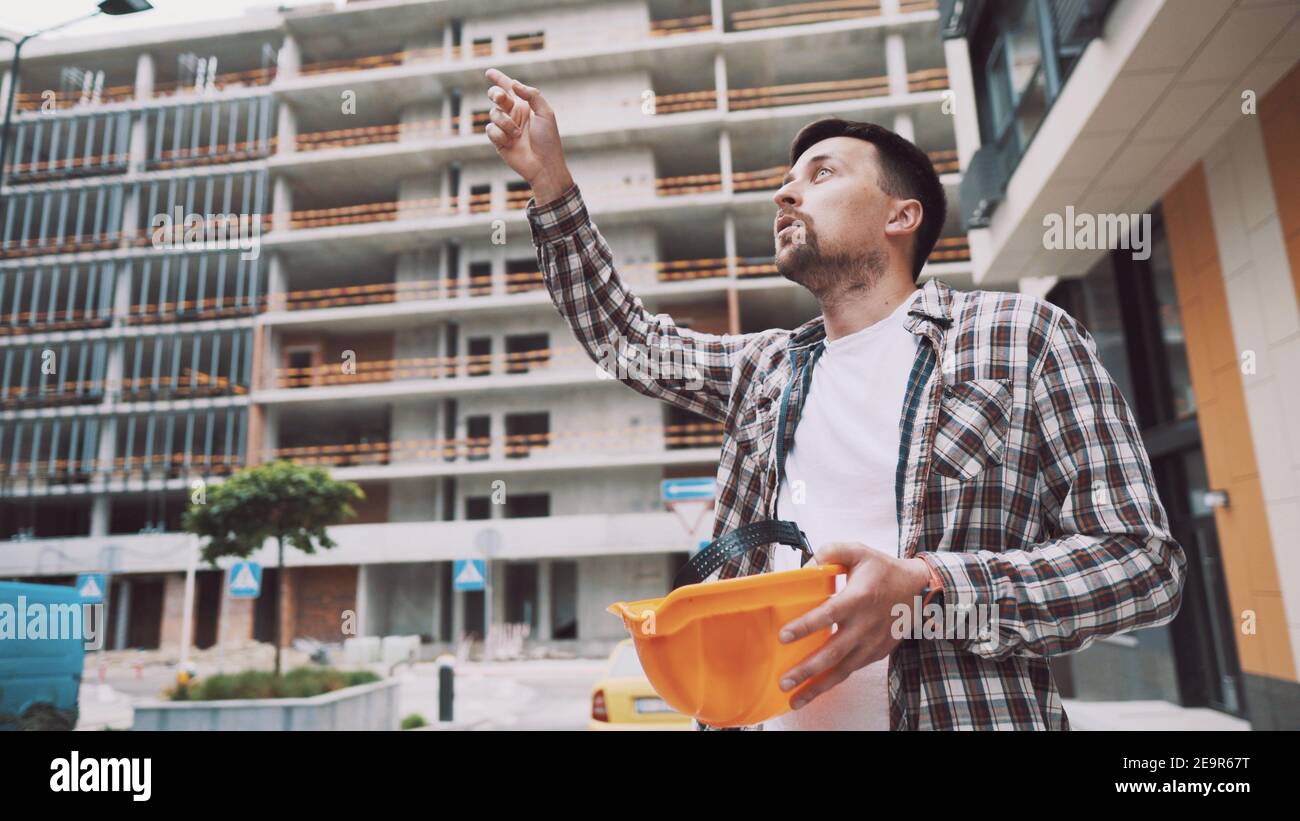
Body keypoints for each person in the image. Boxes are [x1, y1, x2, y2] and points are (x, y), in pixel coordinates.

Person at [483, 67, 1186, 730]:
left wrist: (927, 591)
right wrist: (550, 182)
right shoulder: (768, 369)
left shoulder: (1022, 337)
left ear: (901, 215)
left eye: (822, 175)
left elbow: (1143, 565)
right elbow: (626, 340)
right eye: (786, 182)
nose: (786, 195)